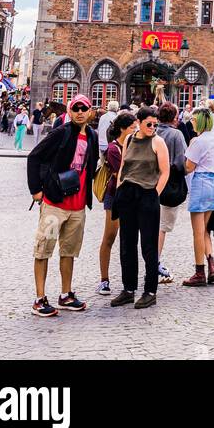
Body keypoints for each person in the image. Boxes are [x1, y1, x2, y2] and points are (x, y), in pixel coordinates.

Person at [27, 93, 99, 317]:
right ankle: (40, 299)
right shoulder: (61, 132)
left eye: (83, 109)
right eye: (75, 108)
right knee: (44, 250)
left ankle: (65, 294)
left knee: (69, 251)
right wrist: (36, 190)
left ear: (89, 112)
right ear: (69, 111)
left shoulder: (93, 136)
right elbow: (34, 156)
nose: (79, 112)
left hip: (77, 206)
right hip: (54, 202)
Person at [110, 107, 170, 310]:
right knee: (127, 244)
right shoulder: (129, 140)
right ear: (139, 122)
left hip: (147, 194)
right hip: (127, 193)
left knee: (148, 245)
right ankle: (128, 289)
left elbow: (164, 172)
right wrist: (119, 189)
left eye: (156, 124)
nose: (153, 127)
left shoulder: (158, 142)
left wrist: (155, 194)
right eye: (149, 124)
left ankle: (150, 291)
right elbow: (124, 168)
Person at [182, 106, 214, 286]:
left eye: (193, 120)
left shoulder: (199, 141)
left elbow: (188, 167)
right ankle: (212, 265)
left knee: (197, 232)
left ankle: (199, 271)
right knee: (205, 230)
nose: (191, 123)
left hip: (201, 182)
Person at [97, 111, 136, 295]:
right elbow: (121, 173)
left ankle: (129, 280)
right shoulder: (113, 149)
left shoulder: (135, 144)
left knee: (129, 240)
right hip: (115, 196)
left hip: (132, 196)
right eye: (132, 127)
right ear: (122, 129)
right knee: (109, 237)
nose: (135, 130)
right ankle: (104, 280)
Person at [156, 102, 188, 283]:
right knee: (161, 227)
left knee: (151, 225)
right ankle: (155, 264)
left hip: (150, 184)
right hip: (169, 185)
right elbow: (182, 161)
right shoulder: (176, 134)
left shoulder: (152, 131)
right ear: (175, 117)